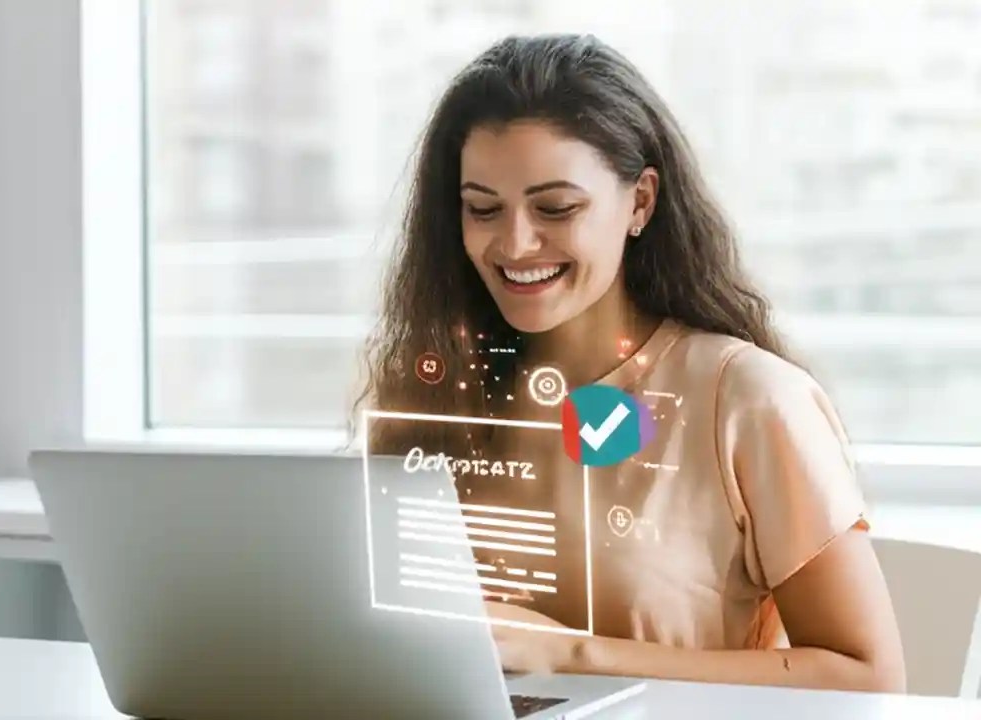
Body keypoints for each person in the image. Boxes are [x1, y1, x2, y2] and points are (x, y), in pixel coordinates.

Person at [353, 34, 905, 693]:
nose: (515, 244)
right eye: (483, 209)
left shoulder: (747, 399)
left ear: (640, 201)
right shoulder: (437, 392)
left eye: (556, 208)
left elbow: (869, 678)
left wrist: (572, 653)